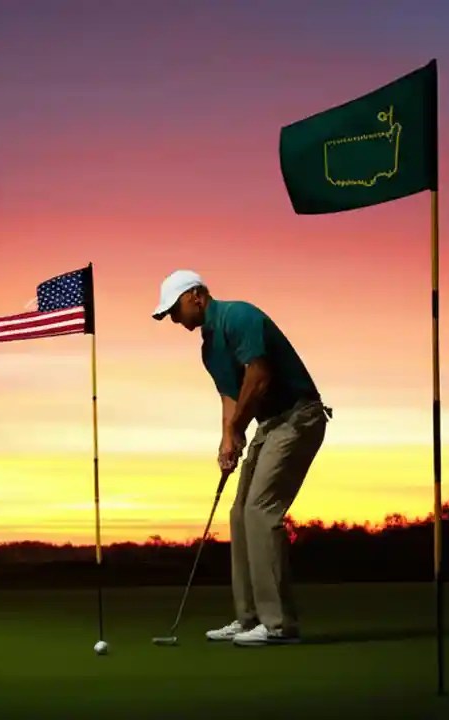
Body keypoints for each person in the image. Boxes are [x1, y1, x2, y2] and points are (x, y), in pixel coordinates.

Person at [152, 270, 331, 646]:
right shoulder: (208, 347)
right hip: (270, 425)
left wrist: (237, 429)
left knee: (260, 511)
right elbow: (230, 398)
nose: (173, 318)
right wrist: (226, 440)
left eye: (175, 308)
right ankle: (249, 618)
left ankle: (279, 626)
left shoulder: (239, 316)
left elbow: (259, 375)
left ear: (197, 296)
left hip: (300, 417)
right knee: (238, 514)